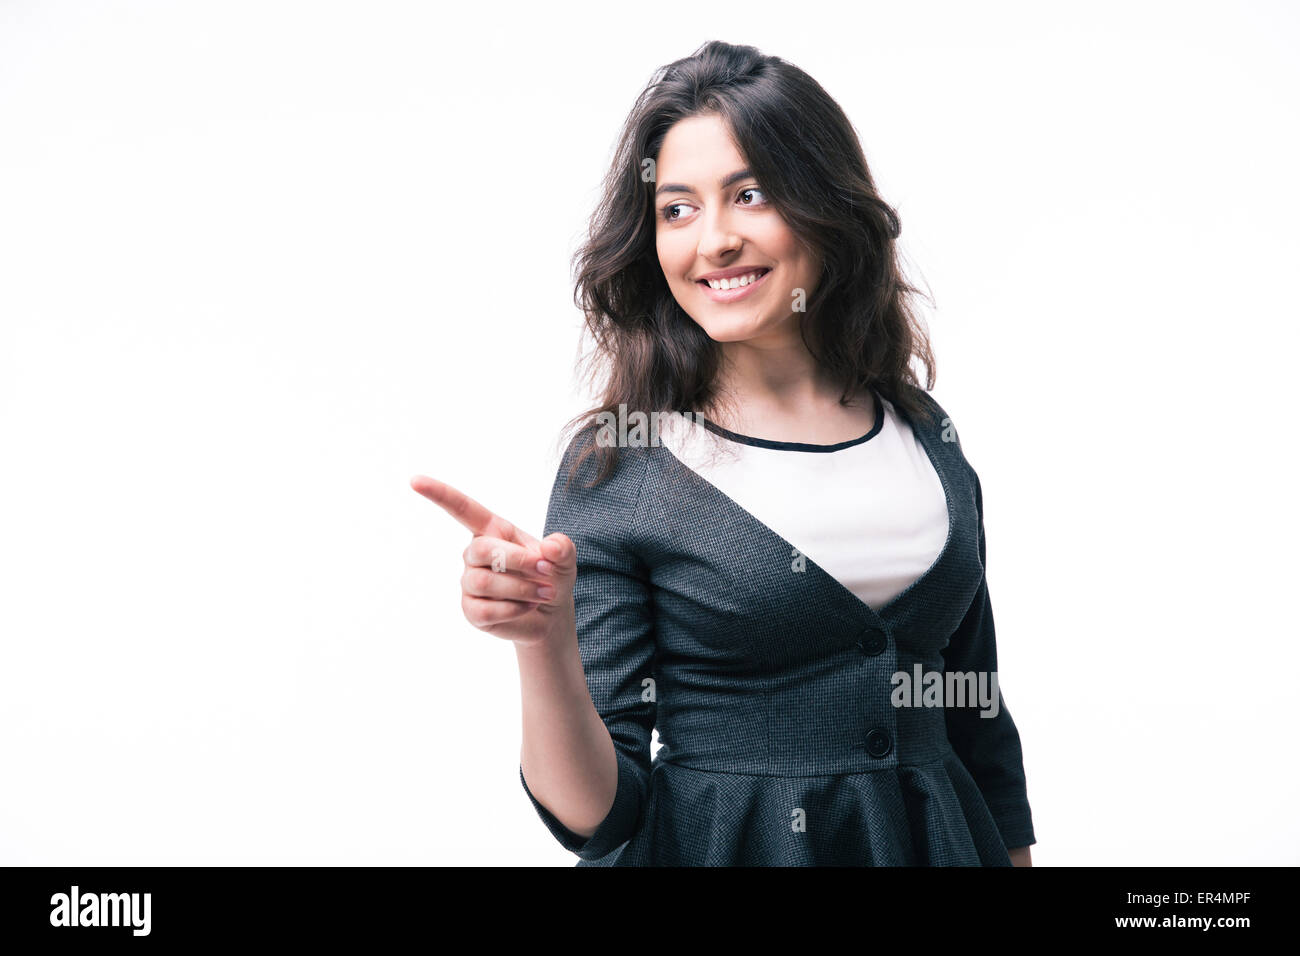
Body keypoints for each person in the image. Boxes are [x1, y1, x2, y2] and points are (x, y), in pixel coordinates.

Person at [412, 40, 1036, 866]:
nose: (714, 241)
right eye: (677, 209)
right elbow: (596, 815)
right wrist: (544, 642)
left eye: (749, 195)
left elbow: (981, 734)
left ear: (824, 202)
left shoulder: (924, 434)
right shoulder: (621, 467)